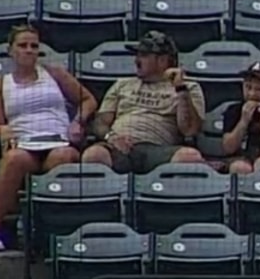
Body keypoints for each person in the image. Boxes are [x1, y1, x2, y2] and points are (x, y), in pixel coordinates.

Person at [0, 24, 94, 252]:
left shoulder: (55, 74)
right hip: (24, 142)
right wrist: (3, 131)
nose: (29, 50)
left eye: (34, 46)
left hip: (57, 139)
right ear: (11, 50)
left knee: (62, 157)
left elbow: (87, 100)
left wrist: (77, 122)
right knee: (14, 160)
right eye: (23, 45)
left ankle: (44, 228)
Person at [82, 31, 206, 173]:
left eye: (144, 56)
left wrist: (181, 90)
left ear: (162, 60)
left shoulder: (188, 87)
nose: (136, 60)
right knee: (94, 155)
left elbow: (190, 130)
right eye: (137, 55)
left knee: (190, 157)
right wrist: (111, 137)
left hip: (159, 150)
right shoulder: (123, 84)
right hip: (120, 146)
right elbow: (100, 122)